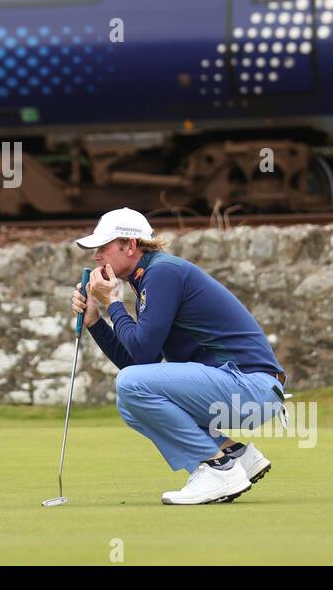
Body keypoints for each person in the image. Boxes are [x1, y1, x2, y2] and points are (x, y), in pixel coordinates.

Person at [70, 207, 288, 505]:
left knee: (130, 384)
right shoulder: (149, 277)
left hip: (251, 387)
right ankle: (236, 455)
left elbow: (142, 356)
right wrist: (96, 321)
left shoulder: (162, 273)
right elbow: (137, 362)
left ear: (130, 245)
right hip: (244, 388)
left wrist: (113, 304)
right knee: (129, 401)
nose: (96, 256)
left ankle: (217, 468)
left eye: (104, 247)